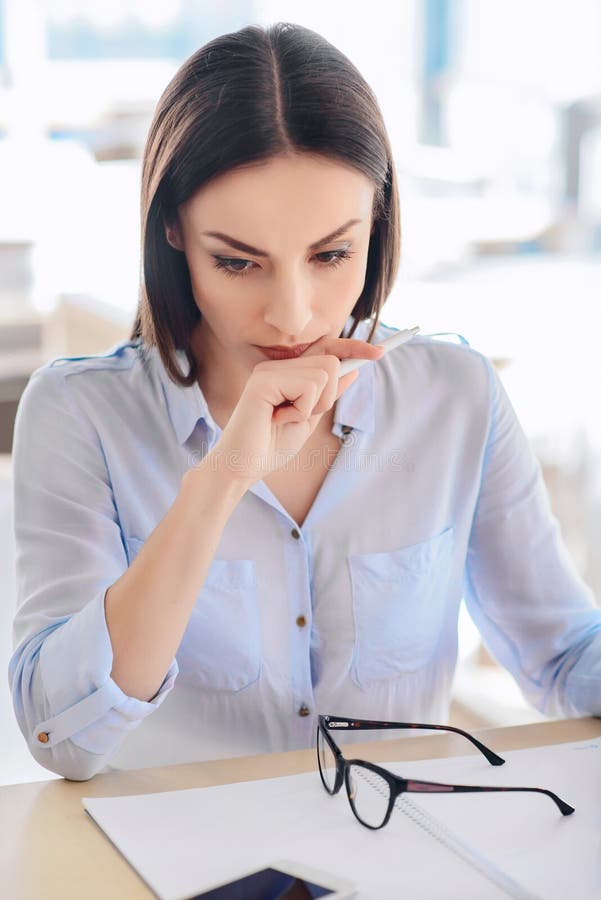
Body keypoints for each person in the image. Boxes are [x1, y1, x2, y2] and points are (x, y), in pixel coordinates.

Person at [9, 22, 601, 783]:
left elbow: (563, 653)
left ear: (377, 225)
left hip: (397, 837)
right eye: (238, 262)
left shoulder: (453, 396)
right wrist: (221, 481)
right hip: (172, 848)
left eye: (331, 254)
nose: (291, 316)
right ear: (172, 231)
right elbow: (64, 738)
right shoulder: (80, 414)